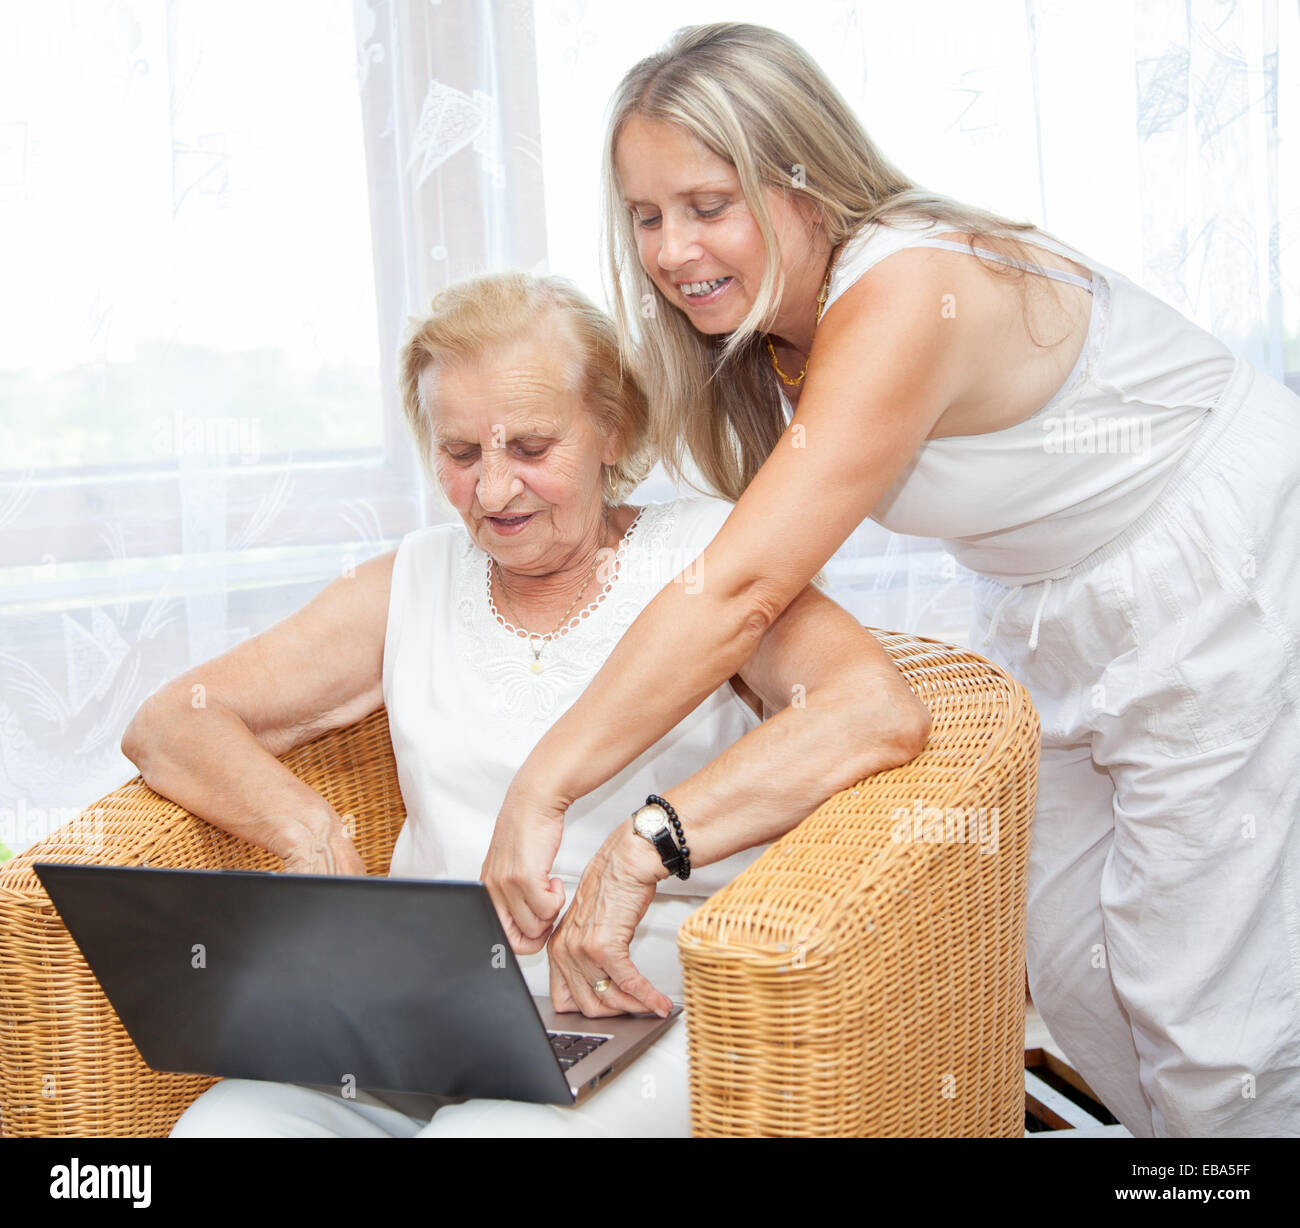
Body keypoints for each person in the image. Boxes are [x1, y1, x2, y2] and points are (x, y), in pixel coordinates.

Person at [482, 22, 1300, 1138]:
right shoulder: (768, 336)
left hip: (1220, 560)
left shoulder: (907, 290)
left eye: (707, 204)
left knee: (1205, 1015)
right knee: (1074, 968)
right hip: (1051, 594)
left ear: (804, 185)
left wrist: (548, 788)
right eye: (646, 215)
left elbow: (740, 588)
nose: (672, 251)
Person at [118, 270, 930, 1137]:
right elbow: (173, 721)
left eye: (532, 450)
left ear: (612, 430)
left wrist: (644, 843)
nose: (494, 491)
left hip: (637, 1006)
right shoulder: (411, 581)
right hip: (418, 1017)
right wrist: (306, 830)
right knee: (226, 1129)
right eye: (461, 454)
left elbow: (871, 710)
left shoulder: (710, 560)